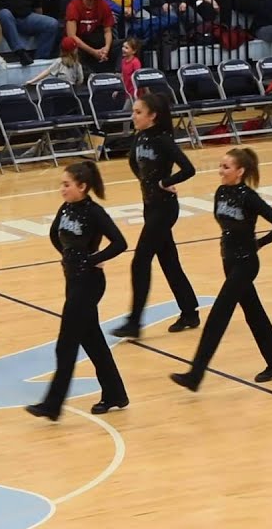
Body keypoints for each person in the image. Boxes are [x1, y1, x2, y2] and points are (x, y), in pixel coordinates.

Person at [171, 147, 272, 390]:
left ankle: (195, 374)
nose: (220, 171)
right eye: (221, 166)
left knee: (218, 316)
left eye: (226, 167)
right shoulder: (221, 192)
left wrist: (258, 244)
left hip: (246, 264)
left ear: (240, 171)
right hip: (229, 260)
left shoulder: (249, 197)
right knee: (254, 314)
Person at [26, 162, 131, 421]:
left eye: (66, 184)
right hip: (72, 281)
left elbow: (120, 243)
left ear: (82, 187)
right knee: (92, 340)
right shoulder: (66, 208)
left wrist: (93, 259)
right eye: (62, 184)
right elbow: (54, 234)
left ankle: (52, 404)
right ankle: (115, 393)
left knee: (66, 344)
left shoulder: (95, 213)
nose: (62, 189)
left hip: (90, 284)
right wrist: (68, 257)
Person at [112, 92, 201, 338]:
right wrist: (146, 183)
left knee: (140, 261)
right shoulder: (140, 137)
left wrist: (164, 182)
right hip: (149, 206)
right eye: (134, 111)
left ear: (153, 116)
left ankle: (134, 321)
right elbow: (132, 162)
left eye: (139, 112)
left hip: (164, 208)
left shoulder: (163, 140)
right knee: (169, 261)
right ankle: (190, 312)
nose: (134, 115)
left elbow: (189, 169)